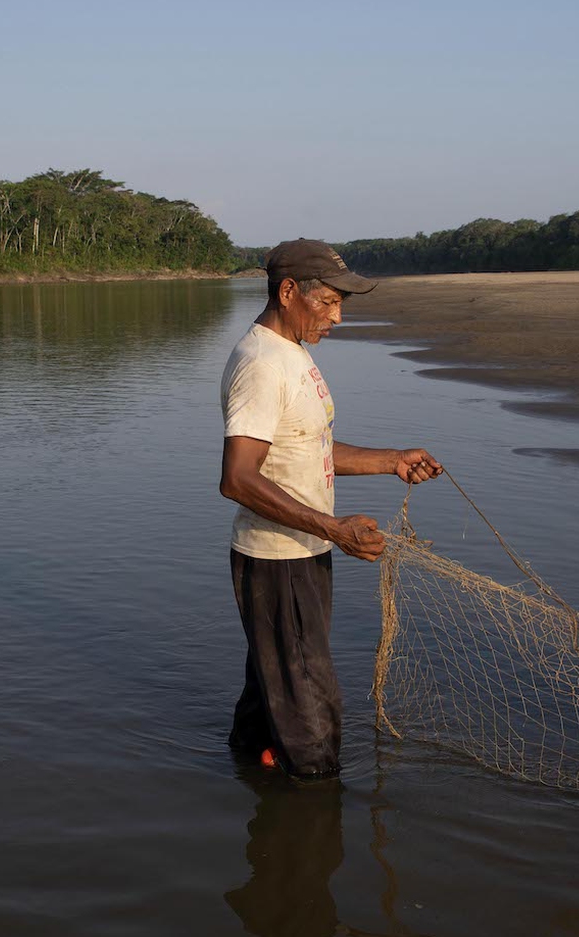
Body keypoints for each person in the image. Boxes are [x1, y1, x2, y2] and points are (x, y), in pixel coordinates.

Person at [218, 238, 442, 779]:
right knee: (311, 710)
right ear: (289, 292)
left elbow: (306, 448)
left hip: (303, 550)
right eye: (329, 303)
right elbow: (237, 478)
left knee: (273, 692)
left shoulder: (292, 356)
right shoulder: (261, 365)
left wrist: (391, 460)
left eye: (343, 304)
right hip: (277, 561)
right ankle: (314, 816)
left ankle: (248, 782)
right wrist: (335, 529)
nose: (338, 317)